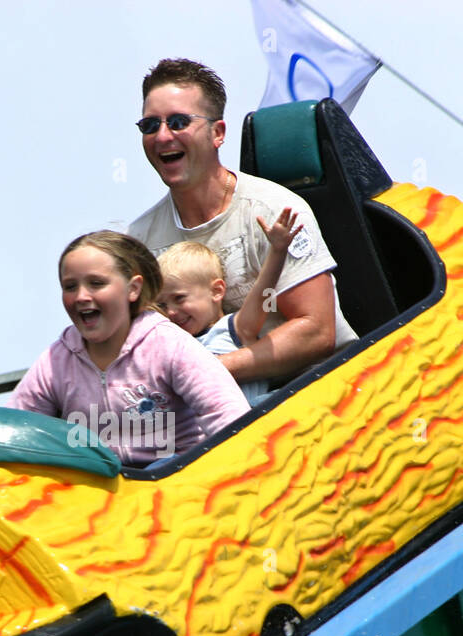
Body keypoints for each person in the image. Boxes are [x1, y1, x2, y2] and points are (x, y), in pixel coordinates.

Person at [128, 58, 357, 393]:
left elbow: (316, 332)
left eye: (178, 122)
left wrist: (206, 373)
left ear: (218, 133)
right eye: (150, 126)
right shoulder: (139, 242)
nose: (163, 136)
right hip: (212, 414)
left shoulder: (272, 210)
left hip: (319, 394)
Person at [9, 230, 248, 467]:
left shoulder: (167, 343)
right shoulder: (56, 361)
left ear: (133, 289)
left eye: (96, 283)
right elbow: (14, 434)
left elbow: (227, 413)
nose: (81, 296)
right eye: (70, 286)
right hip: (105, 488)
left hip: (176, 479)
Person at [156, 208, 303, 405]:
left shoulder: (235, 328)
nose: (171, 312)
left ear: (216, 291)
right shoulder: (174, 346)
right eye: (162, 305)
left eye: (180, 298)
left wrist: (278, 250)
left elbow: (264, 292)